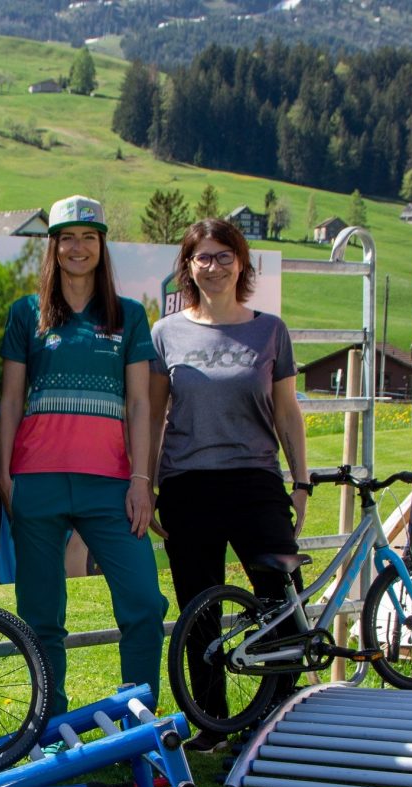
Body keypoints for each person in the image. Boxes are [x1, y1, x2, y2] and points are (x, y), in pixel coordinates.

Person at [0, 195, 168, 714]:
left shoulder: (130, 315)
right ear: (53, 246)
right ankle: (49, 723)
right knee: (41, 613)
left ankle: (137, 717)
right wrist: (3, 477)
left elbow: (140, 404)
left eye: (88, 238)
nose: (77, 248)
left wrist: (142, 479)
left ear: (101, 246)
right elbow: (9, 400)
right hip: (37, 480)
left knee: (143, 602)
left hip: (112, 484)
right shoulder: (26, 313)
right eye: (67, 237)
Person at [149, 217, 310, 754]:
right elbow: (151, 416)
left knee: (277, 602)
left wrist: (301, 481)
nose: (213, 267)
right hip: (187, 485)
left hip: (256, 483)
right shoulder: (165, 333)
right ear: (187, 268)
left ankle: (276, 720)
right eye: (202, 258)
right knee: (200, 609)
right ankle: (211, 723)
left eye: (223, 256)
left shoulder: (270, 330)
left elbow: (288, 412)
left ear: (241, 264)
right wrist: (144, 485)